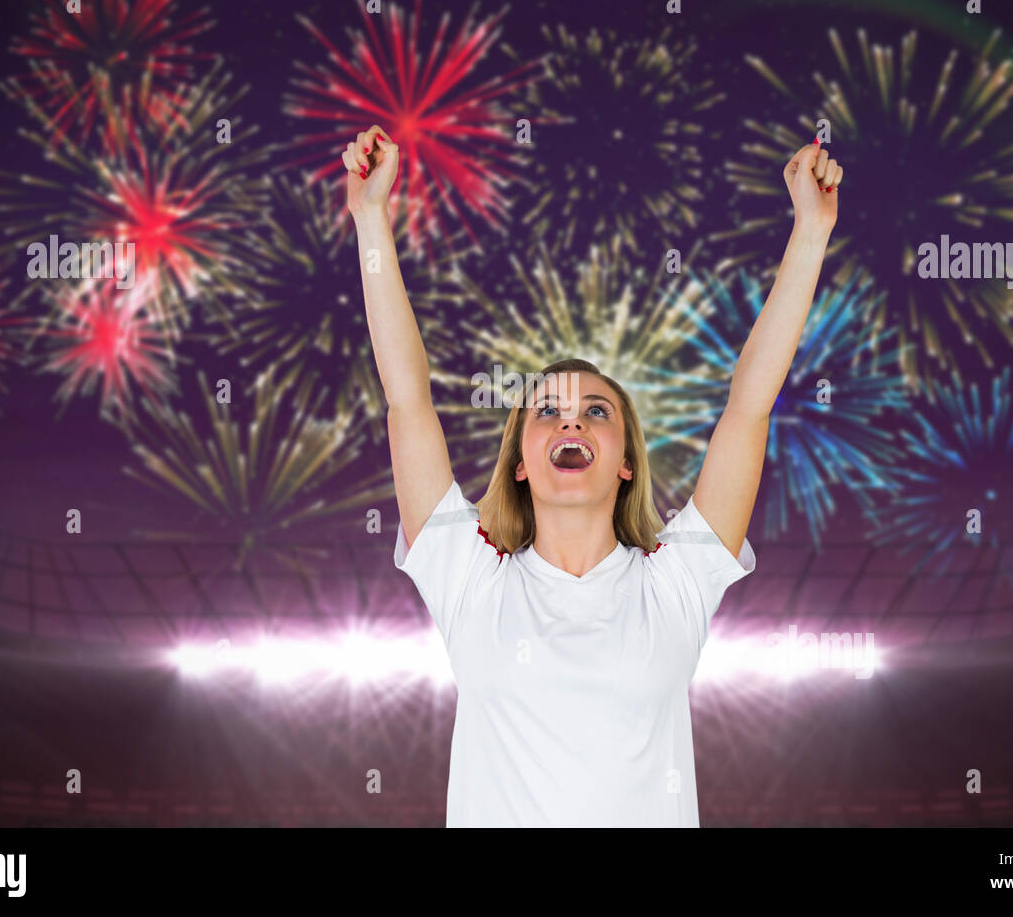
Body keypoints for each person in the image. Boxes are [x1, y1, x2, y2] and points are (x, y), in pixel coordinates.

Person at [342, 125, 842, 826]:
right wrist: (370, 218)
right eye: (548, 411)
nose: (571, 424)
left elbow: (749, 408)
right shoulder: (469, 580)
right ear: (520, 460)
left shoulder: (676, 585)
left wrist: (811, 233)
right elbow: (407, 399)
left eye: (595, 412)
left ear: (625, 460)